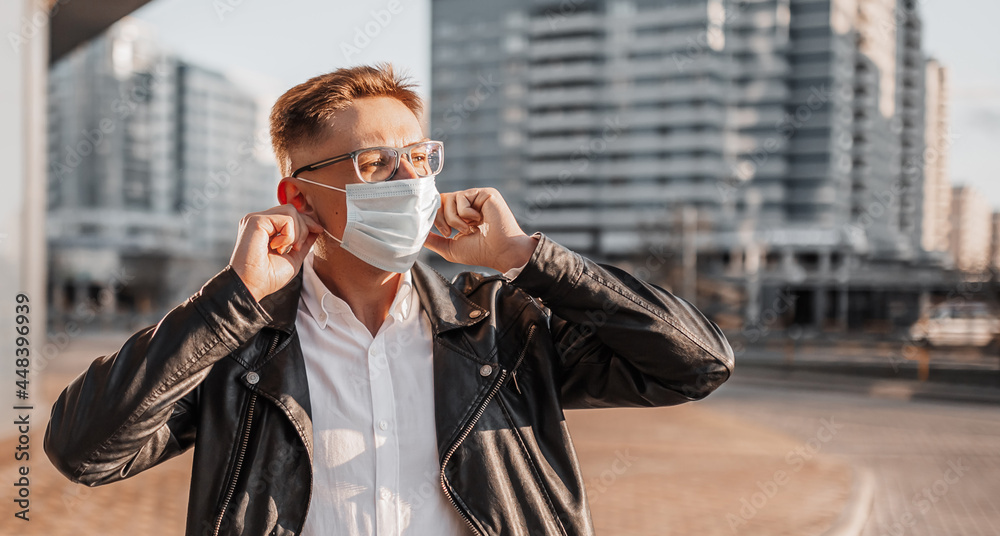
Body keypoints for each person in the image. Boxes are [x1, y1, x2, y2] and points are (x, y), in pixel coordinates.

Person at [45, 63, 734, 536]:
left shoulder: (500, 328)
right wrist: (231, 302)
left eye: (420, 157)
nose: (409, 180)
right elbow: (83, 450)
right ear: (300, 195)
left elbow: (696, 363)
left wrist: (529, 260)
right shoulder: (242, 347)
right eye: (376, 164)